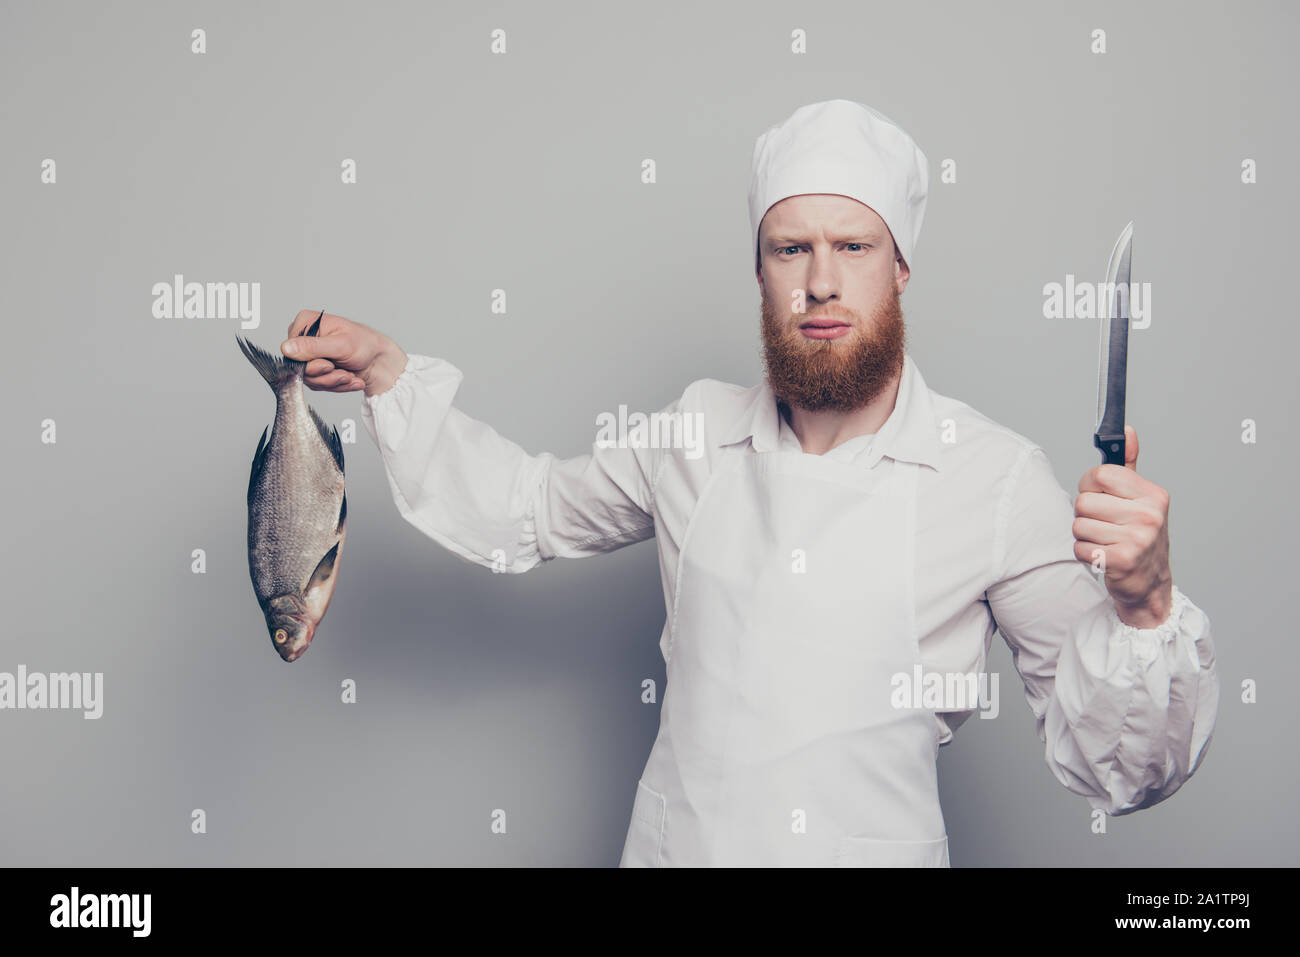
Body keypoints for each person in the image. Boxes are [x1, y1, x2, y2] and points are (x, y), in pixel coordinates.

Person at [279, 99, 1219, 867]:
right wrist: (389, 376)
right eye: (789, 249)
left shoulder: (995, 478)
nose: (820, 282)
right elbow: (523, 509)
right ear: (758, 272)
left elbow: (1119, 770)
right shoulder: (692, 431)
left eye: (852, 248)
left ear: (900, 269)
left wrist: (1143, 609)